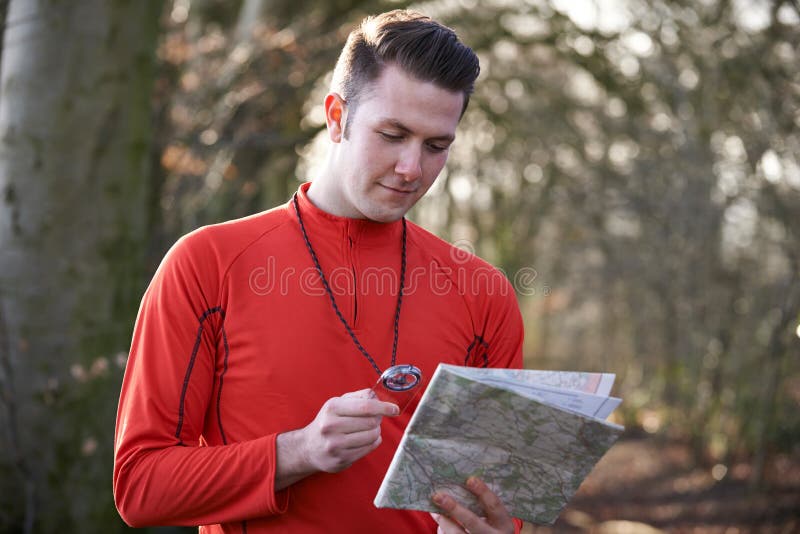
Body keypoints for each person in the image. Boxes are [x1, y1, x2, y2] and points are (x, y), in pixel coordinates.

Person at [114, 9, 524, 534]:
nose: (411, 168)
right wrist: (297, 452)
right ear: (336, 117)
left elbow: (503, 502)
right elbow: (139, 486)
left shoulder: (483, 294)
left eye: (436, 146)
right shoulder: (206, 264)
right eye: (392, 134)